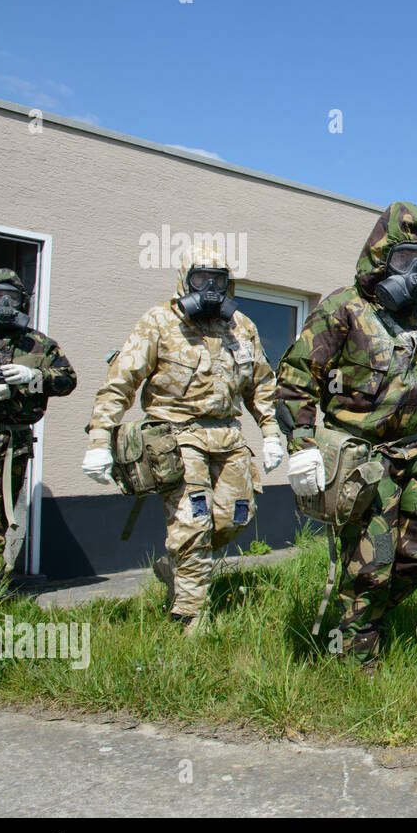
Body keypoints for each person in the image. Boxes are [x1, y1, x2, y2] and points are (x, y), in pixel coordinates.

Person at [274, 201, 417, 670]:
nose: (415, 273)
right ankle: (357, 653)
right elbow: (296, 379)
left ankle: (369, 612)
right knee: (371, 562)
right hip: (364, 459)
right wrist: (299, 445)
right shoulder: (343, 310)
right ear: (380, 257)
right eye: (405, 261)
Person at [82, 245, 284, 633]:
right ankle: (190, 618)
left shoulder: (242, 326)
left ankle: (174, 565)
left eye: (218, 281)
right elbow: (119, 383)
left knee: (237, 516)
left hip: (228, 437)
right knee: (193, 523)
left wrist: (271, 433)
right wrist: (99, 440)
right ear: (184, 280)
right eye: (200, 279)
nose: (210, 288)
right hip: (176, 437)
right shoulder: (158, 322)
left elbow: (261, 385)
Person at [0, 268, 77, 580]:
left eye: (11, 297)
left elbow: (67, 381)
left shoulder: (38, 345)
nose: (4, 303)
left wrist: (33, 378)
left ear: (23, 301)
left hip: (15, 445)